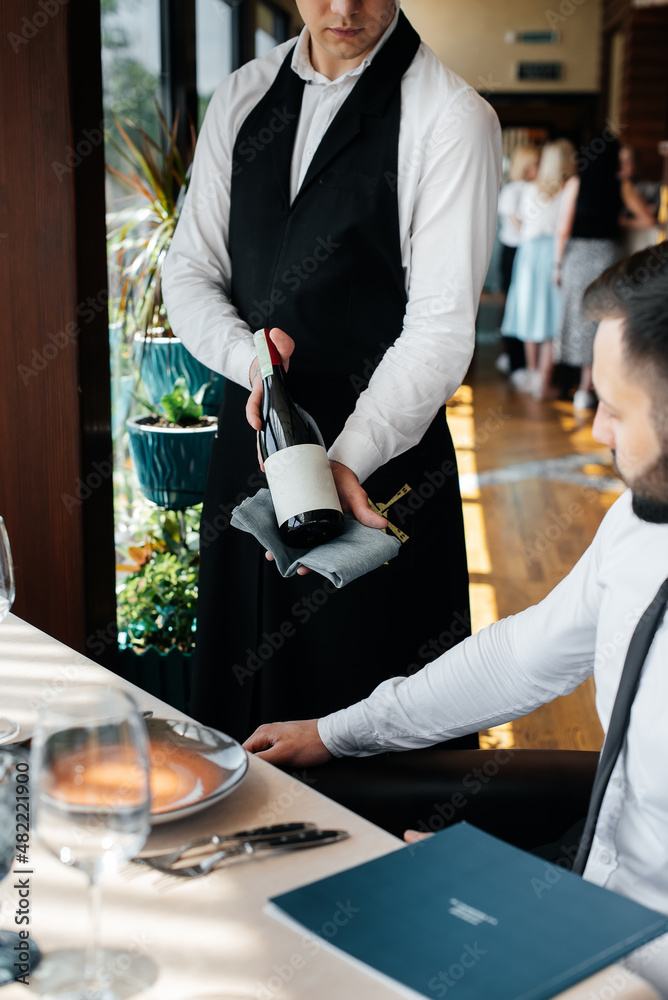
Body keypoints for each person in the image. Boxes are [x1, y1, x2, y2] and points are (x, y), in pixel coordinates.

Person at [244, 244, 668, 998]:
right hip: (585, 898)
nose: (597, 429)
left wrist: (531, 928)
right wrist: (336, 732)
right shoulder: (639, 527)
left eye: (617, 407)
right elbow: (522, 655)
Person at [162, 0, 502, 742]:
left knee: (365, 729)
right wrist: (250, 362)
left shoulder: (452, 116)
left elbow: (440, 331)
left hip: (379, 463)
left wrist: (339, 463)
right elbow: (188, 270)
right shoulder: (243, 96)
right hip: (249, 442)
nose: (343, 7)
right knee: (234, 715)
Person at [554, 134, 624, 411]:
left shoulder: (576, 183)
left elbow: (563, 229)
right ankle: (591, 386)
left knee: (576, 317)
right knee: (602, 319)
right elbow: (646, 218)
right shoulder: (620, 186)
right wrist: (620, 220)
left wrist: (556, 266)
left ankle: (570, 385)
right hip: (608, 256)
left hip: (578, 257)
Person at [501, 139, 575, 400]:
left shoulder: (531, 190)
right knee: (551, 314)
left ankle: (533, 374)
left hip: (528, 252)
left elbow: (522, 225)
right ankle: (543, 380)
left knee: (529, 312)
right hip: (551, 252)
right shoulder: (568, 189)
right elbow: (563, 228)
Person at [495, 144, 540, 375]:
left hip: (528, 253)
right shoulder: (512, 191)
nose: (539, 168)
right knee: (513, 307)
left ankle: (524, 360)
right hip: (513, 254)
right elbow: (521, 227)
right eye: (535, 163)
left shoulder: (533, 188)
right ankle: (514, 360)